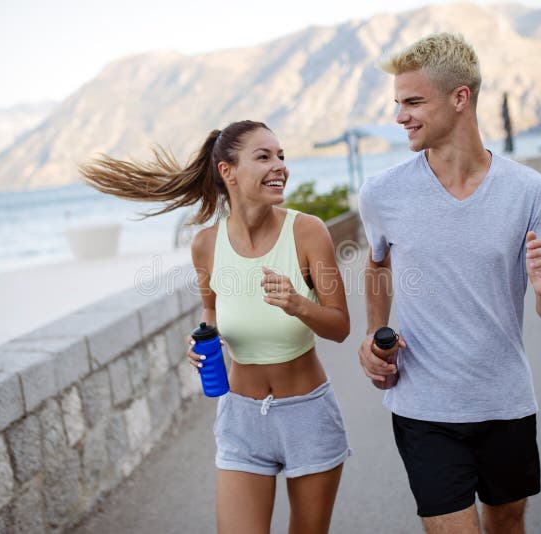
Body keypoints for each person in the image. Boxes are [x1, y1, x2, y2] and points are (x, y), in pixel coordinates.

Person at [79, 120, 352, 534]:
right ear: (228, 172)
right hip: (241, 419)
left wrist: (298, 304)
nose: (279, 165)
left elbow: (340, 326)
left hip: (307, 414)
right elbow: (211, 311)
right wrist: (202, 338)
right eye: (263, 156)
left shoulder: (308, 232)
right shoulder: (206, 245)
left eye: (281, 155)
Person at [356, 34, 541, 534]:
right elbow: (378, 264)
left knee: (507, 522)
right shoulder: (382, 193)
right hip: (422, 406)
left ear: (460, 98)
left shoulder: (532, 193)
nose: (400, 116)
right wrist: (374, 333)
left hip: (505, 400)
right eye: (397, 103)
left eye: (413, 102)